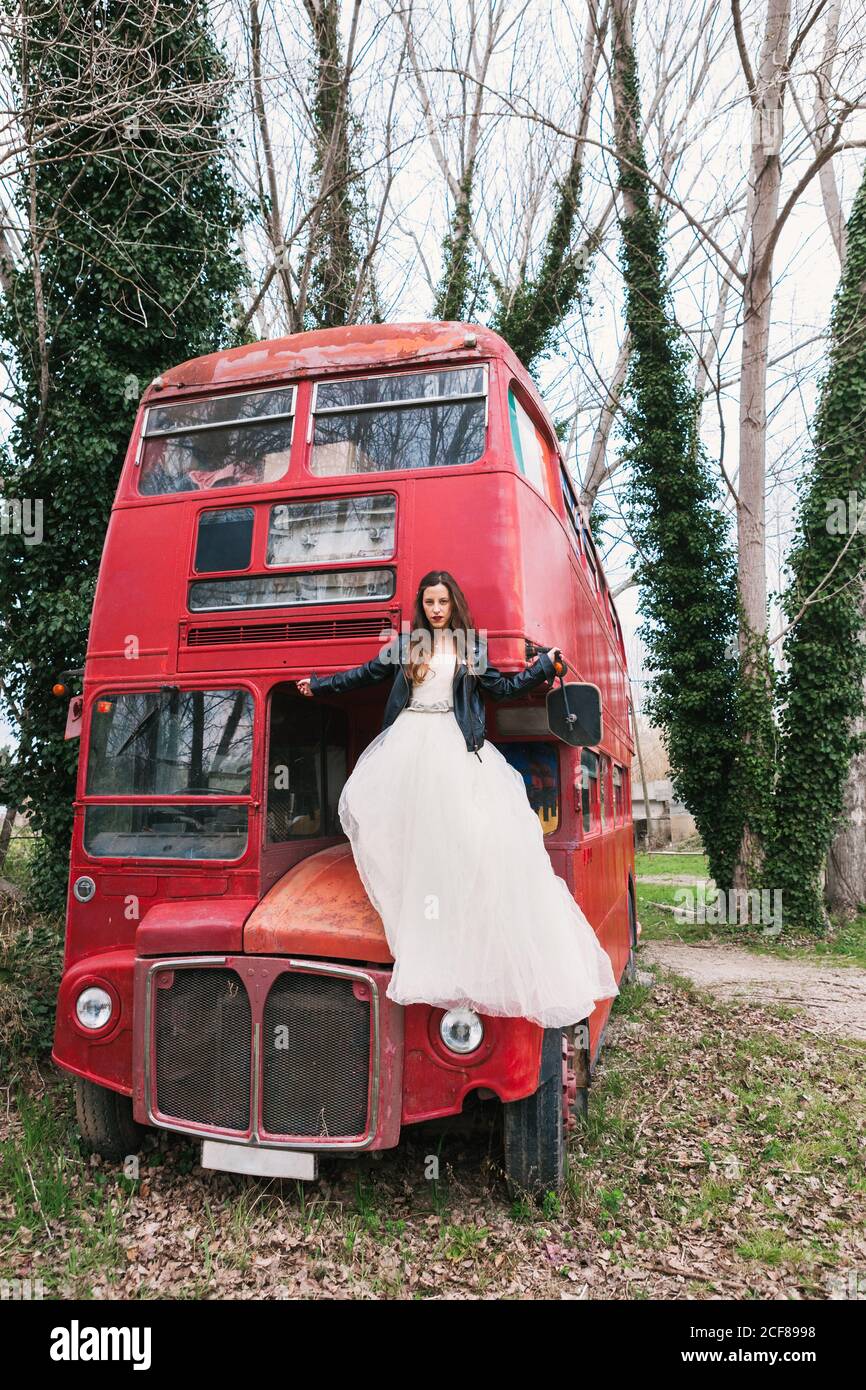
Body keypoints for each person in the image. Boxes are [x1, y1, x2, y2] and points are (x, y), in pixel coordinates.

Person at [296, 570, 619, 1029]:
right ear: (421, 606)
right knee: (417, 852)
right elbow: (366, 675)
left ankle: (470, 953)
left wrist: (544, 666)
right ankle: (425, 948)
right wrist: (320, 684)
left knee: (469, 848)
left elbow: (502, 690)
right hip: (409, 745)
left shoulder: (472, 647)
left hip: (453, 745)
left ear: (454, 603)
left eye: (442, 601)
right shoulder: (408, 644)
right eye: (428, 602)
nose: (435, 609)